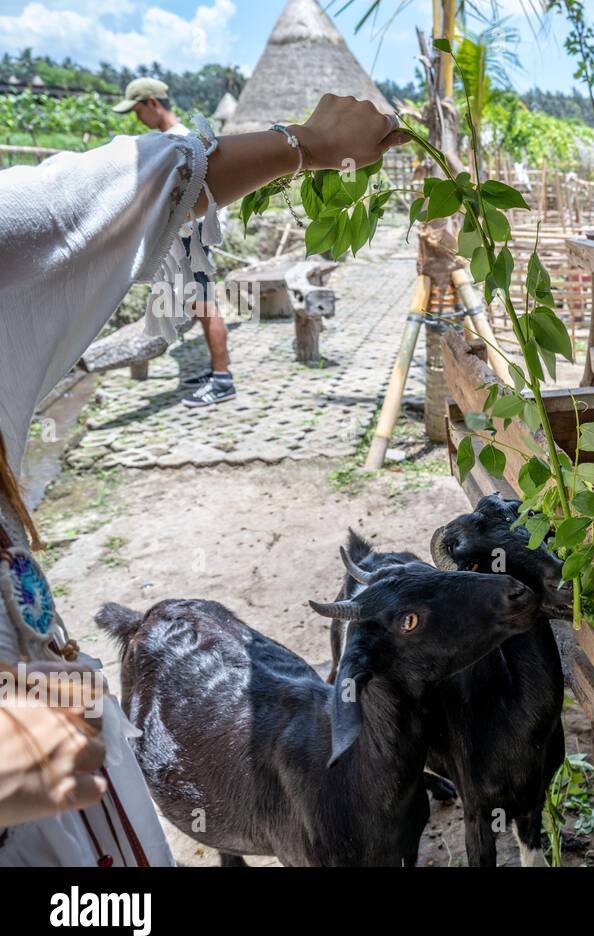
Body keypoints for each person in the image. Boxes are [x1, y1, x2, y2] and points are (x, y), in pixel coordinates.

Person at [0, 95, 409, 864]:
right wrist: (309, 144)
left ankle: (218, 373)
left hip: (66, 765)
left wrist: (307, 145)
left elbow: (103, 196)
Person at [113, 77, 236, 408]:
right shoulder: (175, 140)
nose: (137, 120)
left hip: (190, 237)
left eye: (138, 111)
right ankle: (216, 371)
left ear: (153, 103)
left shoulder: (181, 142)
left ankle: (223, 380)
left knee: (205, 305)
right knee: (199, 304)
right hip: (185, 237)